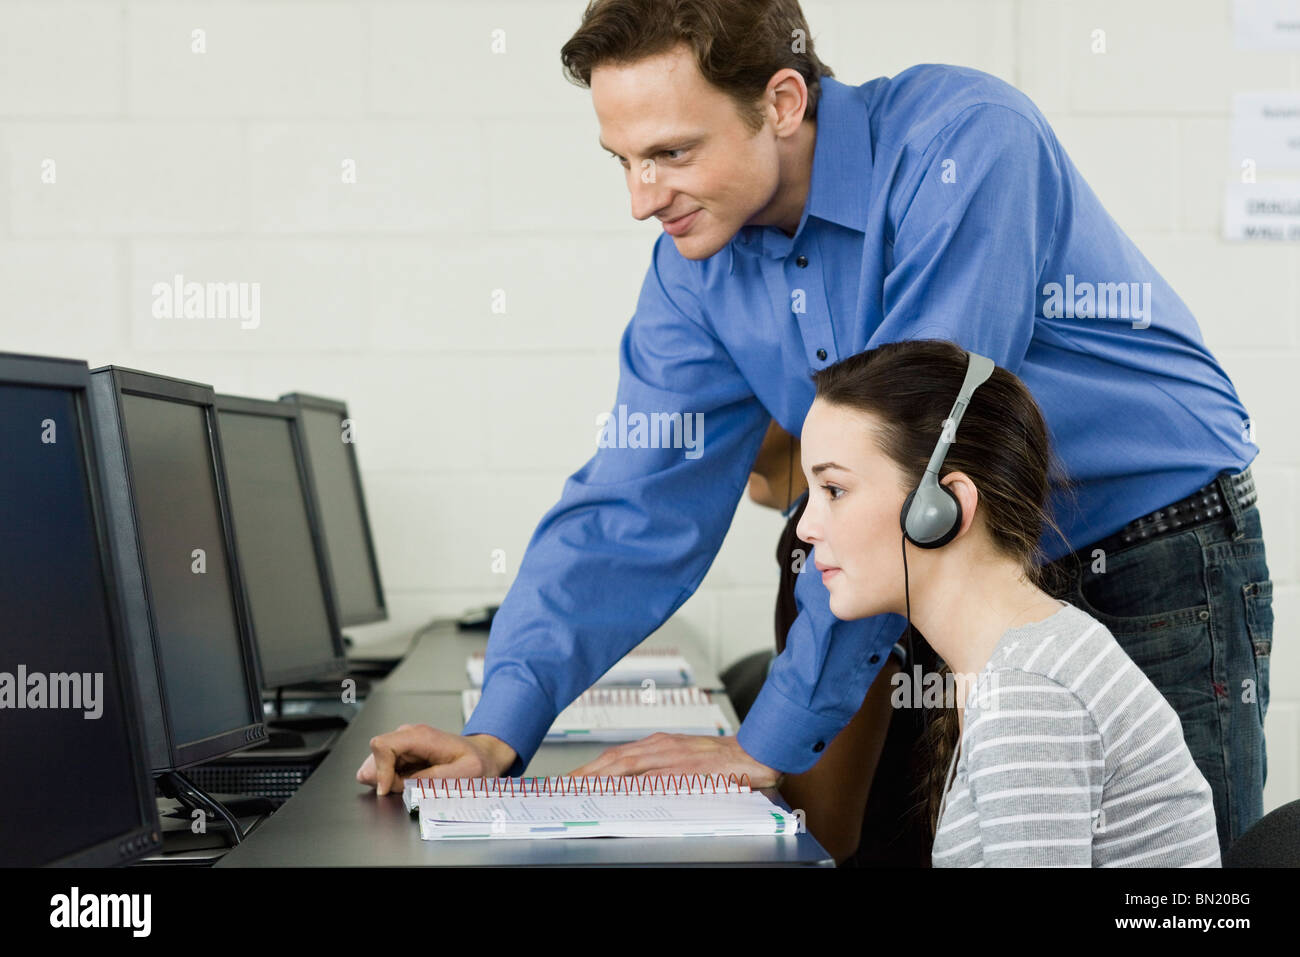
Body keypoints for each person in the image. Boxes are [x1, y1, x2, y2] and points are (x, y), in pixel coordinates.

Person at [358, 0, 1271, 857]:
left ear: (782, 101)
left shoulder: (964, 144)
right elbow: (629, 507)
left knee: (1174, 899)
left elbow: (911, 466)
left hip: (1149, 544)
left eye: (671, 153)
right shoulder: (695, 270)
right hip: (953, 565)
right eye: (623, 160)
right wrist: (495, 734)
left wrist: (770, 742)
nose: (642, 197)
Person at [795, 339, 1220, 866]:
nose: (807, 527)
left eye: (833, 489)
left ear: (942, 506)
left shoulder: (1029, 694)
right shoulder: (1023, 659)